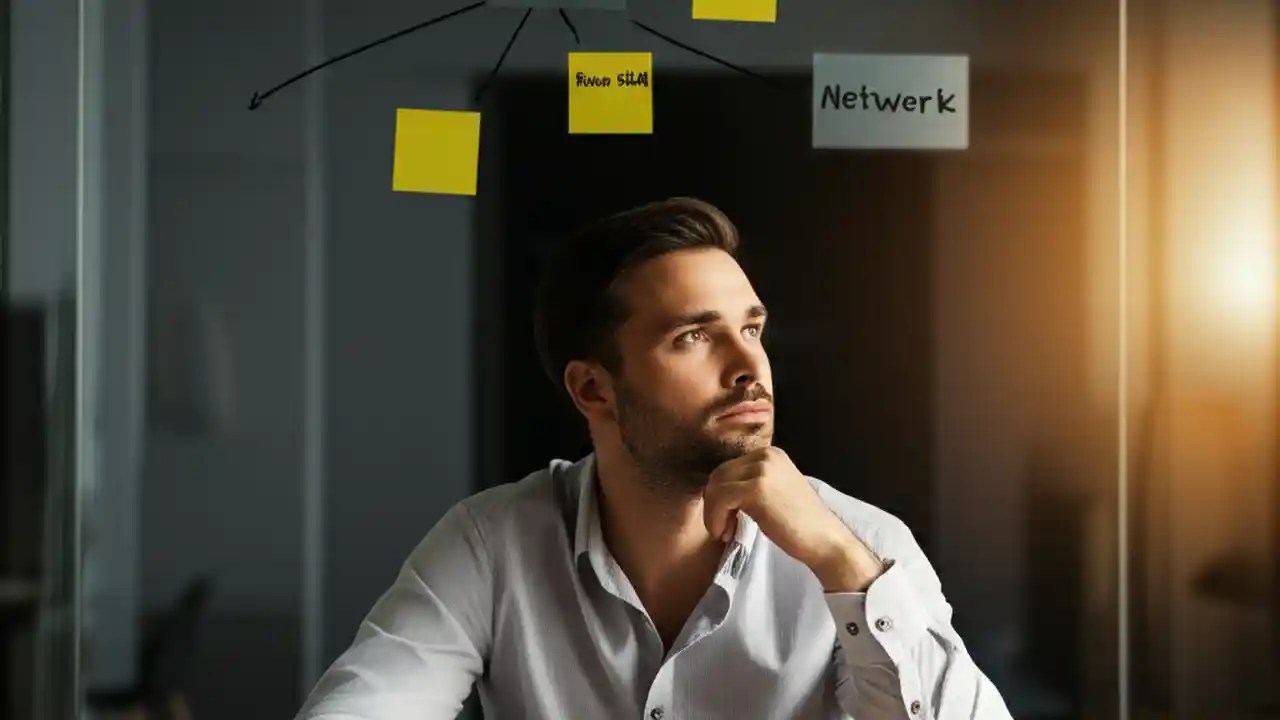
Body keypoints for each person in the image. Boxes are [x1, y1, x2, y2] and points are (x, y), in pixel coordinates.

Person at [296, 198, 1013, 719]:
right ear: (592, 388)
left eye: (752, 328)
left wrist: (839, 564)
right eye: (694, 337)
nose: (749, 367)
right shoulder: (492, 546)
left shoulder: (865, 548)